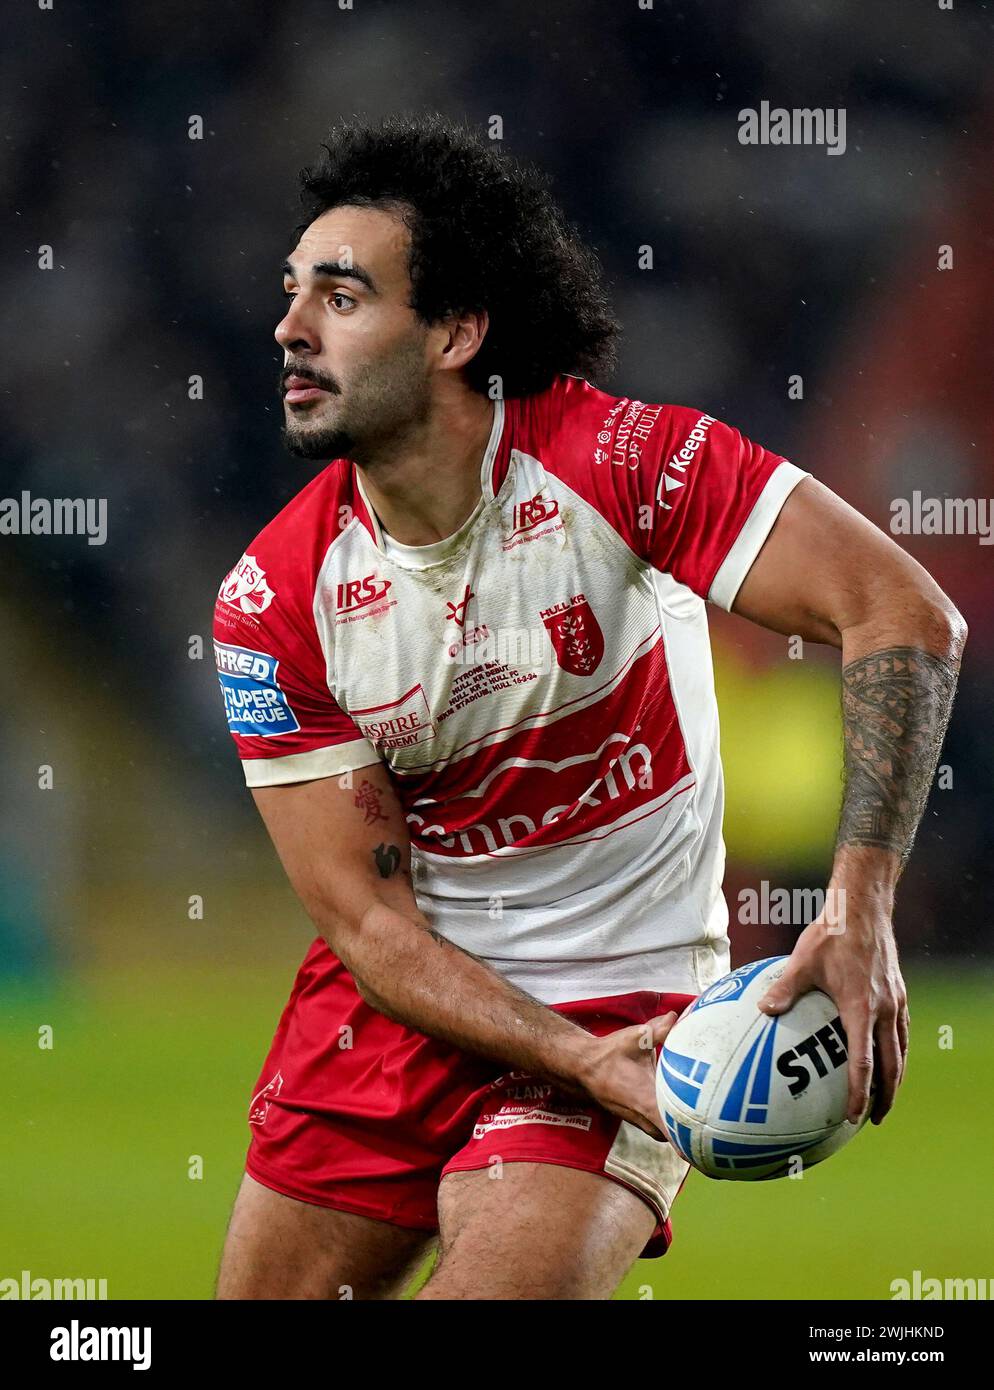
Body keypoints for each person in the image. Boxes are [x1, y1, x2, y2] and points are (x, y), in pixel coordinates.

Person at [212, 115, 965, 1300]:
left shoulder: (620, 465)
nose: (289, 329)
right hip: (407, 1007)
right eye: (292, 292)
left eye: (342, 297)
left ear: (458, 331)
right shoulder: (273, 601)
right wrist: (568, 1056)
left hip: (631, 1006)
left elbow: (902, 613)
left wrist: (856, 910)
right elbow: (368, 927)